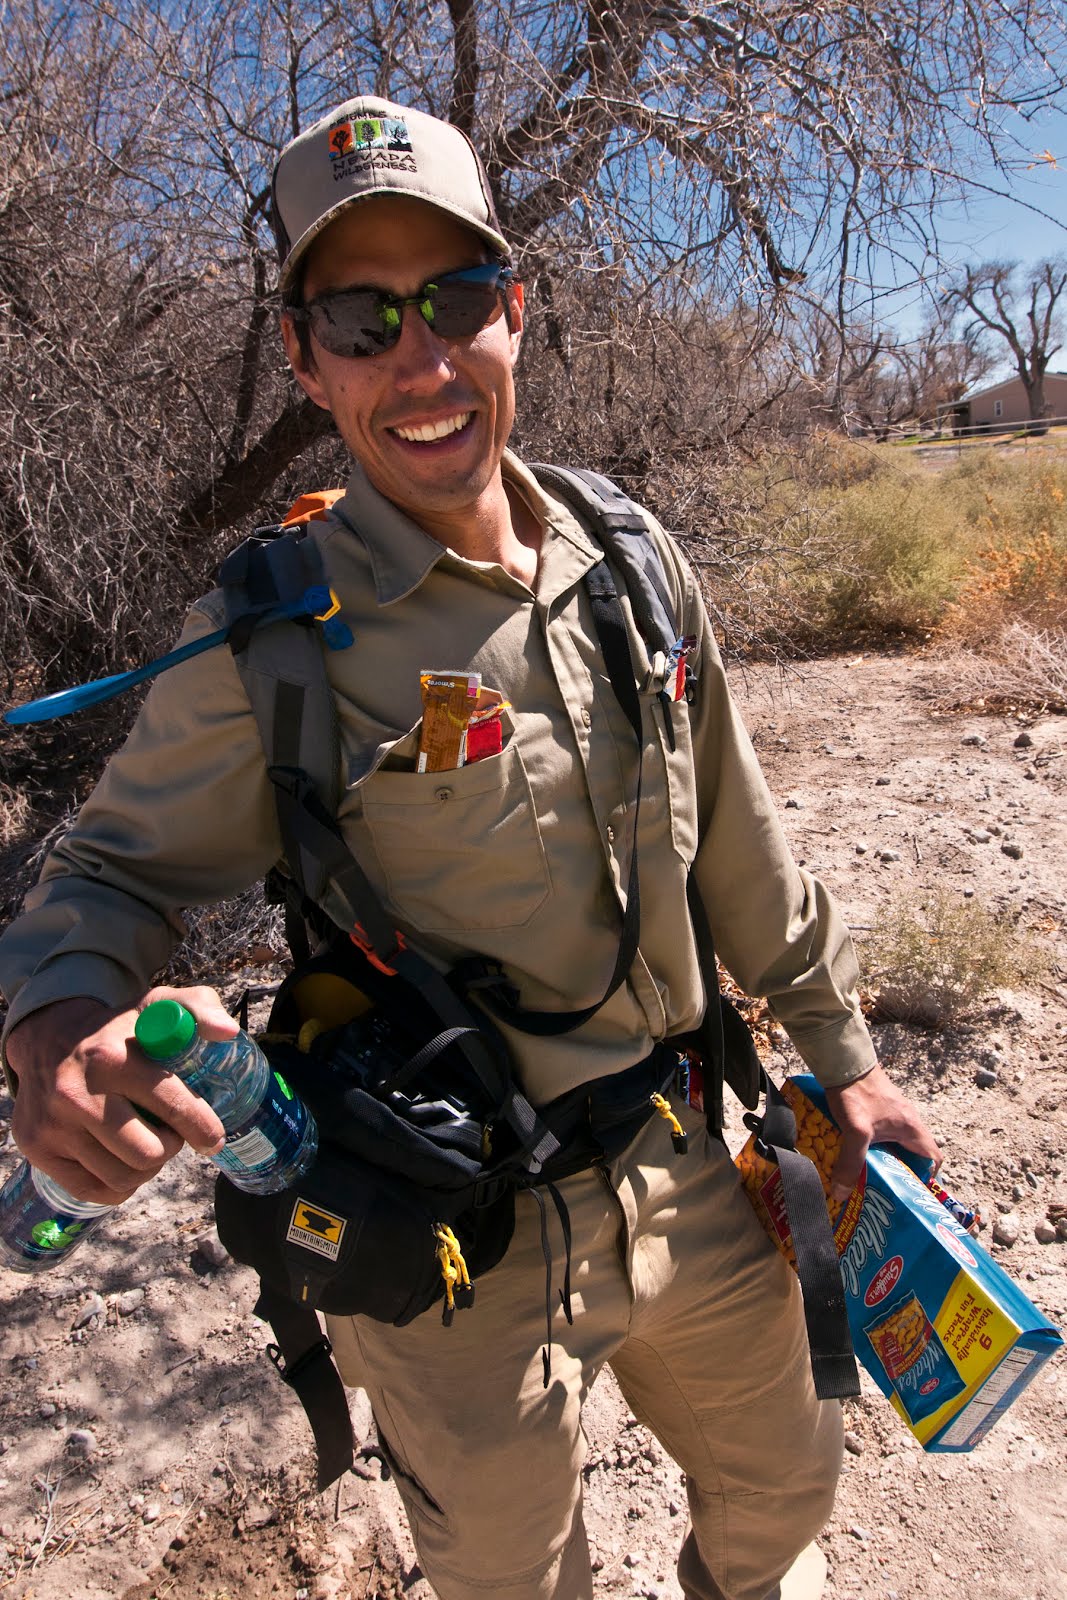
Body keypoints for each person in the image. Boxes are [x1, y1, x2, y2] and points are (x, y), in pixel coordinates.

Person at [0, 96, 940, 1600]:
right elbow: (112, 874)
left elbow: (739, 837)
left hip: (689, 1159)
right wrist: (55, 1023)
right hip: (452, 1249)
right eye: (361, 320)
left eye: (456, 298)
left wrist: (847, 1059)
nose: (422, 361)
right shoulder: (271, 643)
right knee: (509, 1578)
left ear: (519, 312)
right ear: (305, 362)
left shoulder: (633, 562)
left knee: (784, 1497)